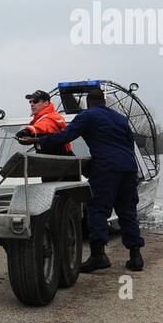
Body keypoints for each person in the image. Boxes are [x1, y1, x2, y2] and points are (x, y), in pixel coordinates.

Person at [18, 88, 144, 272]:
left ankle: (98, 256)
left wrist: (36, 141)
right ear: (104, 101)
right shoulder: (120, 118)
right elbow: (129, 142)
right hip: (128, 168)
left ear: (87, 102)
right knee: (127, 211)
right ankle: (136, 256)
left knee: (97, 210)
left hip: (105, 169)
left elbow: (65, 136)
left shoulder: (88, 116)